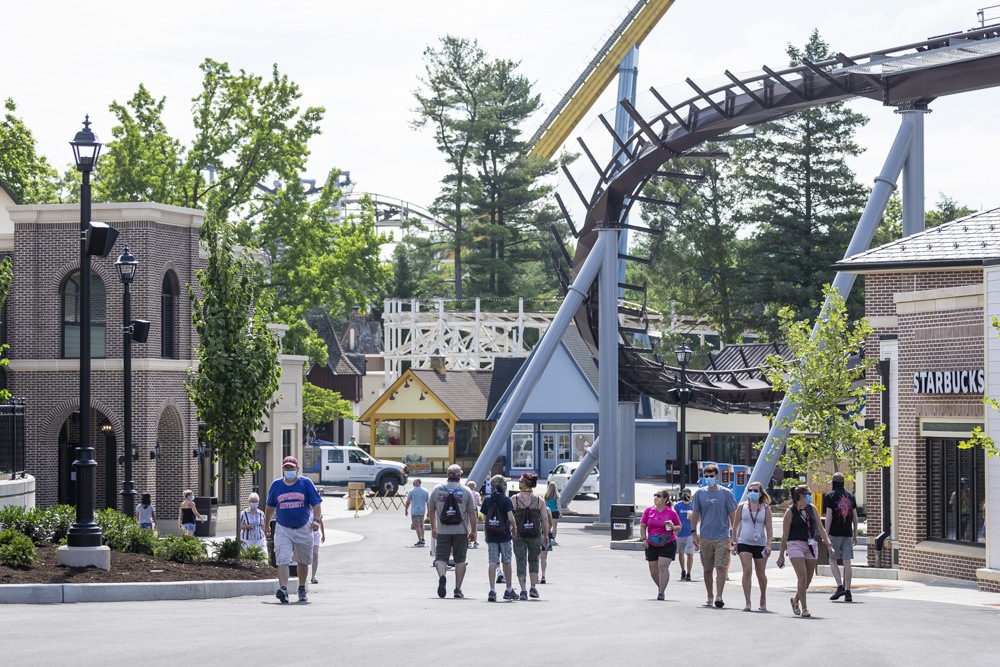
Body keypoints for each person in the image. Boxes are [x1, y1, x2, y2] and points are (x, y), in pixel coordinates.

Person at [264, 456, 323, 604]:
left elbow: (316, 504)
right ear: (283, 469)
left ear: (297, 469)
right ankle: (283, 589)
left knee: (303, 561)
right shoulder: (276, 485)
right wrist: (266, 526)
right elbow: (270, 506)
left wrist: (316, 520)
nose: (289, 470)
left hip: (303, 527)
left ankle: (302, 587)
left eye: (292, 468)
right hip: (283, 528)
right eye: (286, 468)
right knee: (282, 559)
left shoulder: (306, 483)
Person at [777, 485, 833, 618]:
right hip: (795, 544)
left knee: (808, 578)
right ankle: (805, 608)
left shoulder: (812, 508)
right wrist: (781, 556)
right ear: (802, 496)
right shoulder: (790, 511)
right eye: (809, 493)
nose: (811, 496)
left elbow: (820, 527)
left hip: (811, 545)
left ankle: (795, 600)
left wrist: (829, 544)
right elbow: (785, 534)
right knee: (802, 576)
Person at [689, 464, 738, 608]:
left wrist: (734, 536)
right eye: (707, 476)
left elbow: (733, 514)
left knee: (721, 567)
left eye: (712, 476)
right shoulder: (699, 494)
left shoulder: (726, 493)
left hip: (722, 536)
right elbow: (695, 514)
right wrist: (693, 533)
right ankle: (709, 596)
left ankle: (719, 596)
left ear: (717, 477)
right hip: (705, 536)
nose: (709, 478)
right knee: (707, 569)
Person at [427, 464, 477, 599]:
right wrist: (473, 531)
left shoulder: (437, 489)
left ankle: (442, 576)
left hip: (443, 530)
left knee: (441, 558)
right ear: (460, 476)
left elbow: (431, 509)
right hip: (461, 531)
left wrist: (433, 527)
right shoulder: (466, 490)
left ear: (447, 474)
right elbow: (472, 512)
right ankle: (457, 589)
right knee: (460, 560)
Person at [732, 481, 773, 611]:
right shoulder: (742, 506)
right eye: (750, 490)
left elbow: (769, 528)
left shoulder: (766, 508)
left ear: (760, 493)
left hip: (760, 543)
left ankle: (763, 598)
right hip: (744, 541)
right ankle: (748, 602)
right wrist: (734, 543)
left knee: (760, 573)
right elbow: (735, 526)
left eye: (755, 491)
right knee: (747, 570)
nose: (752, 493)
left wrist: (768, 544)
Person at [511, 473, 550, 600]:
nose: (519, 482)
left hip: (519, 534)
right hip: (535, 534)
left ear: (524, 484)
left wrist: (512, 528)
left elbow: (510, 517)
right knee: (534, 560)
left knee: (520, 560)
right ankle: (533, 587)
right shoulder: (539, 500)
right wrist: (546, 535)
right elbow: (544, 518)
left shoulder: (514, 499)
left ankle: (523, 590)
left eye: (520, 480)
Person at [480, 474, 517, 601]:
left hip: (491, 534)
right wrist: (515, 528)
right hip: (504, 534)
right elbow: (511, 518)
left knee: (492, 561)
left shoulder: (487, 500)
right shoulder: (506, 500)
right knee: (507, 561)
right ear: (501, 485)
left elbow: (485, 521)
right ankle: (508, 589)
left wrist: (486, 535)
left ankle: (492, 590)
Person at [640, 488, 681, 600]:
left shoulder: (671, 512)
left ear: (665, 499)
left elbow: (679, 526)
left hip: (667, 541)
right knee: (654, 570)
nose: (656, 498)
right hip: (652, 542)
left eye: (659, 495)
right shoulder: (649, 510)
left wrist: (673, 527)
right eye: (655, 495)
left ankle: (661, 592)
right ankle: (660, 586)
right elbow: (643, 526)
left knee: (663, 566)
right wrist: (643, 539)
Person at [824, 472, 859, 602]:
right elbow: (855, 517)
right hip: (847, 533)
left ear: (833, 482)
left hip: (834, 532)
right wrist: (855, 534)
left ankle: (840, 586)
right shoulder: (851, 496)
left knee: (832, 560)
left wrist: (826, 534)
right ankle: (848, 591)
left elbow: (829, 516)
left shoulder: (829, 496)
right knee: (847, 561)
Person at [673, 487, 695, 581]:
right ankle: (683, 570)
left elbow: (699, 518)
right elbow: (673, 518)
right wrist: (674, 530)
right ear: (682, 495)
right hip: (680, 533)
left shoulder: (693, 505)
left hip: (690, 533)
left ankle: (689, 573)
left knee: (689, 553)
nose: (687, 496)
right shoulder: (677, 506)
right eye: (685, 494)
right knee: (681, 553)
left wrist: (693, 518)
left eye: (688, 494)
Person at [404, 478, 429, 547]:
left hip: (415, 511)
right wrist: (428, 511)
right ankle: (423, 538)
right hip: (422, 510)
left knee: (417, 526)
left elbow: (408, 501)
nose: (413, 483)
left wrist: (406, 510)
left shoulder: (411, 491)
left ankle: (420, 541)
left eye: (414, 482)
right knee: (422, 525)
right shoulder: (425, 491)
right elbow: (428, 502)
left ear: (416, 483)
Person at [309, 510, 326, 585]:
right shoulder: (304, 508)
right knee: (305, 556)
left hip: (315, 535)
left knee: (315, 555)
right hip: (306, 535)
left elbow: (320, 521)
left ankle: (313, 576)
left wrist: (323, 534)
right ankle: (302, 576)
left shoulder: (316, 509)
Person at [544, 481, 561, 547]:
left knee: (548, 526)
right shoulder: (557, 495)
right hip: (555, 511)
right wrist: (560, 512)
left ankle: (547, 538)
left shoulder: (546, 495)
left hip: (548, 511)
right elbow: (558, 504)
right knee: (554, 526)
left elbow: (544, 504)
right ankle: (553, 539)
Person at [467, 480, 482, 548]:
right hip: (474, 510)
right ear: (474, 487)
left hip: (467, 510)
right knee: (474, 526)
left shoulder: (466, 493)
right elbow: (478, 503)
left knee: (468, 526)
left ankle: (468, 541)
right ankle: (475, 541)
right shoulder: (476, 494)